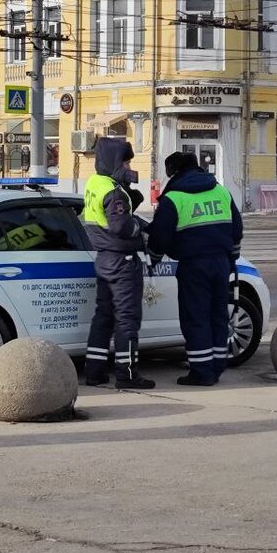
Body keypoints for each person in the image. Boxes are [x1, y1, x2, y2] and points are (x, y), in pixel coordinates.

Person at [149, 151, 243, 387]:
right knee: (218, 315)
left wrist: (154, 258)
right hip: (221, 263)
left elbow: (160, 236)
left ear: (174, 172)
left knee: (196, 317)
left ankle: (201, 372)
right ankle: (217, 366)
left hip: (193, 265)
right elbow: (237, 228)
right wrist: (232, 257)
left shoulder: (174, 197)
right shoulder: (220, 190)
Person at [82, 137, 155, 390]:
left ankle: (95, 371)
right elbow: (121, 226)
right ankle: (128, 374)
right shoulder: (114, 192)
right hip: (122, 262)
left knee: (103, 317)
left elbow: (105, 219)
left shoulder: (94, 183)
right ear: (115, 161)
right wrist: (140, 227)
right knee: (127, 319)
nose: (129, 166)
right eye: (126, 161)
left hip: (104, 259)